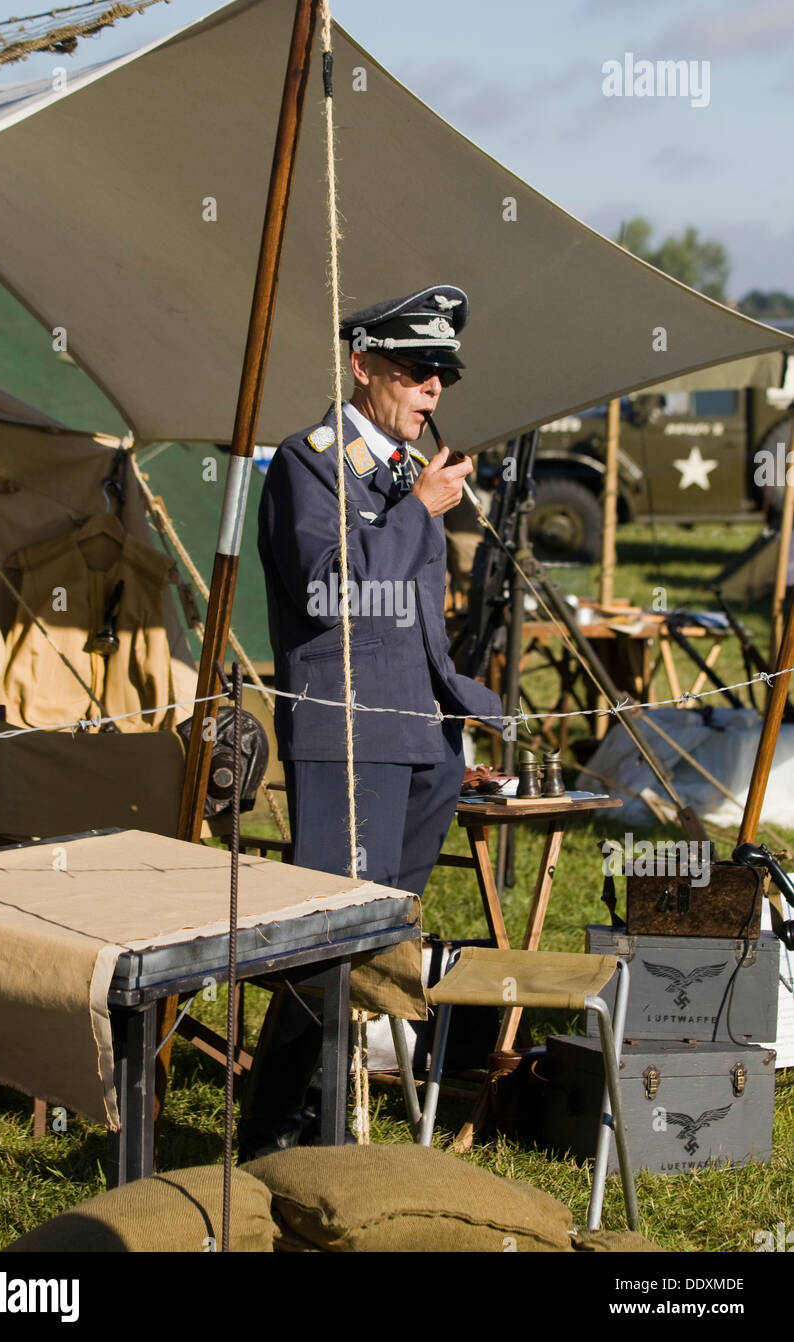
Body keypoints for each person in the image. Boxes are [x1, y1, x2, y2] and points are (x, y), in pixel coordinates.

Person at [240, 285, 503, 1160]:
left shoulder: (402, 475)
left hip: (420, 734)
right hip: (348, 731)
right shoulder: (311, 461)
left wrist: (456, 706)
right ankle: (277, 1132)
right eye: (417, 371)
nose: (432, 390)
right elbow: (328, 594)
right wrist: (416, 511)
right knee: (329, 946)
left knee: (383, 933)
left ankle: (329, 1125)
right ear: (363, 366)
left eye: (443, 376)